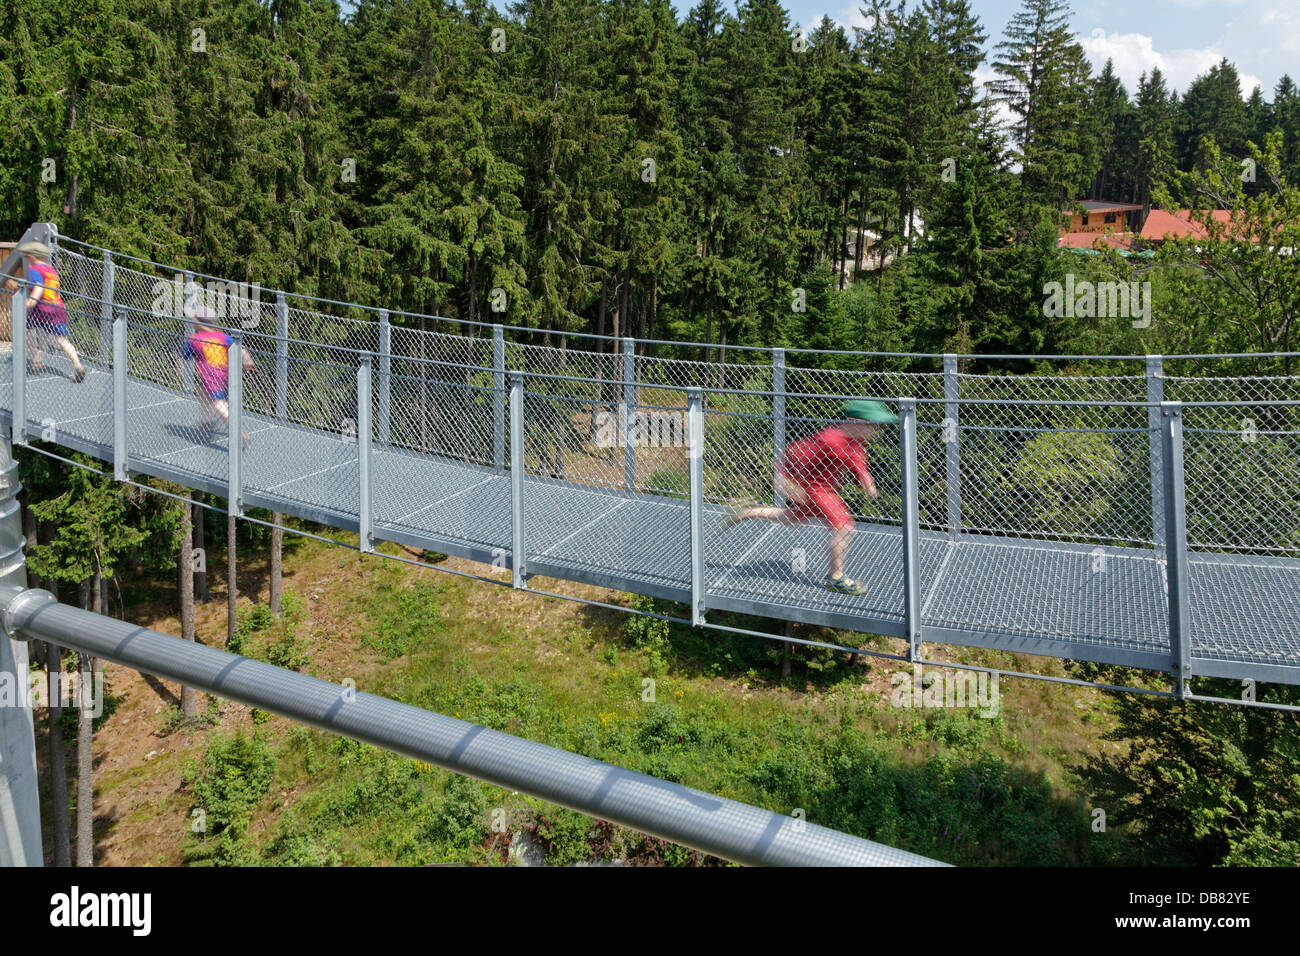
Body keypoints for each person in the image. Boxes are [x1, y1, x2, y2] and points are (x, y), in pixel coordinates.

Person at [721, 399, 898, 595]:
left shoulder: (855, 442)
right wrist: (784, 481)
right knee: (845, 527)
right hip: (816, 489)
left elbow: (856, 461)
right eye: (873, 425)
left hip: (824, 488)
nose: (876, 430)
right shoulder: (830, 439)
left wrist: (866, 479)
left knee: (791, 520)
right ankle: (835, 577)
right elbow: (796, 453)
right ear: (855, 422)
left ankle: (746, 512)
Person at [181, 305, 254, 447]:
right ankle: (208, 421)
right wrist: (247, 361)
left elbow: (183, 357)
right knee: (202, 392)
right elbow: (241, 349)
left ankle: (239, 434)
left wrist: (179, 370)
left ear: (198, 322)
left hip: (211, 377)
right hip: (224, 375)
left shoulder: (194, 339)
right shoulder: (222, 336)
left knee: (221, 406)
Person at [14, 240, 86, 383]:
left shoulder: (34, 270)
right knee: (61, 339)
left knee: (26, 329)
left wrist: (31, 301)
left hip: (41, 309)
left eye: (28, 256)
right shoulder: (51, 270)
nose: (27, 259)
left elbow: (39, 287)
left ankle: (36, 359)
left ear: (33, 256)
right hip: (57, 308)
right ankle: (77, 364)